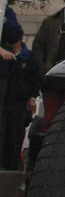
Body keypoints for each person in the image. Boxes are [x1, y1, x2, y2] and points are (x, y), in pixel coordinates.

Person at [0, 21, 39, 169]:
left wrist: (31, 97)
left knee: (15, 139)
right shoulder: (5, 57)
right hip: (6, 103)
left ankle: (13, 167)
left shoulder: (27, 58)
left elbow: (34, 80)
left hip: (19, 105)